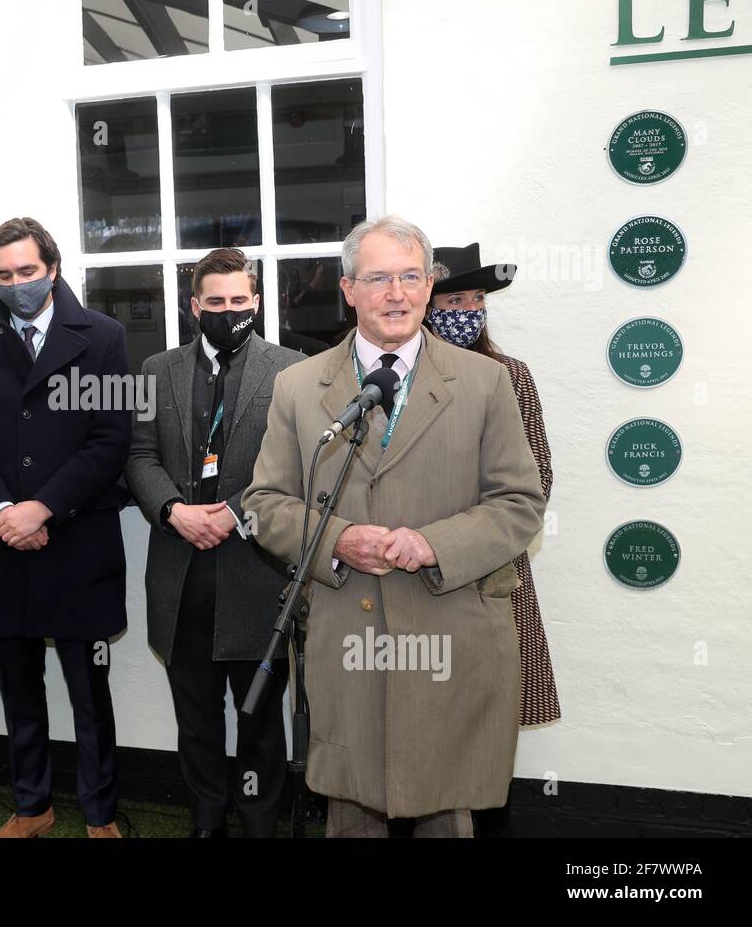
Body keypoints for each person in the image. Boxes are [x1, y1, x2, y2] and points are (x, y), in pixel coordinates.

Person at [242, 216, 546, 838]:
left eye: (411, 276)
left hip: (450, 627)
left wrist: (434, 543)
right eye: (378, 278)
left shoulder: (488, 382)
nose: (397, 293)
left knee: (445, 808)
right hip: (345, 633)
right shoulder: (298, 386)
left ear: (430, 285)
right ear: (348, 290)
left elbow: (520, 503)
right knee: (350, 808)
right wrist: (337, 539)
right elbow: (265, 503)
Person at [0, 217, 131, 838]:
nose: (17, 284)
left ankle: (100, 815)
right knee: (21, 694)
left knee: (89, 697)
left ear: (52, 269)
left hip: (76, 543)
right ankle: (32, 807)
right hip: (5, 545)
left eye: (27, 271)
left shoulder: (104, 336)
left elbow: (110, 443)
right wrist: (4, 512)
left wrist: (42, 508)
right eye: (3, 275)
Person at [125, 248, 305, 838]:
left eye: (239, 301)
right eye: (216, 302)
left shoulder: (292, 370)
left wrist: (233, 512)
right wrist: (174, 511)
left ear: (255, 302)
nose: (228, 311)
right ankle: (206, 819)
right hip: (180, 576)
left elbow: (297, 465)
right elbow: (139, 455)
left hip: (257, 571)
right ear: (194, 305)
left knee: (258, 718)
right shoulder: (155, 371)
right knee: (196, 717)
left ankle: (259, 823)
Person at [427, 245, 560, 729]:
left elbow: (538, 472)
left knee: (495, 707)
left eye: (477, 299)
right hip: (417, 561)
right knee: (429, 705)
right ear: (428, 308)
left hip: (494, 563)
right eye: (454, 302)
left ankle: (491, 807)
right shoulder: (397, 379)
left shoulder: (510, 374)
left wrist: (480, 534)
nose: (469, 312)